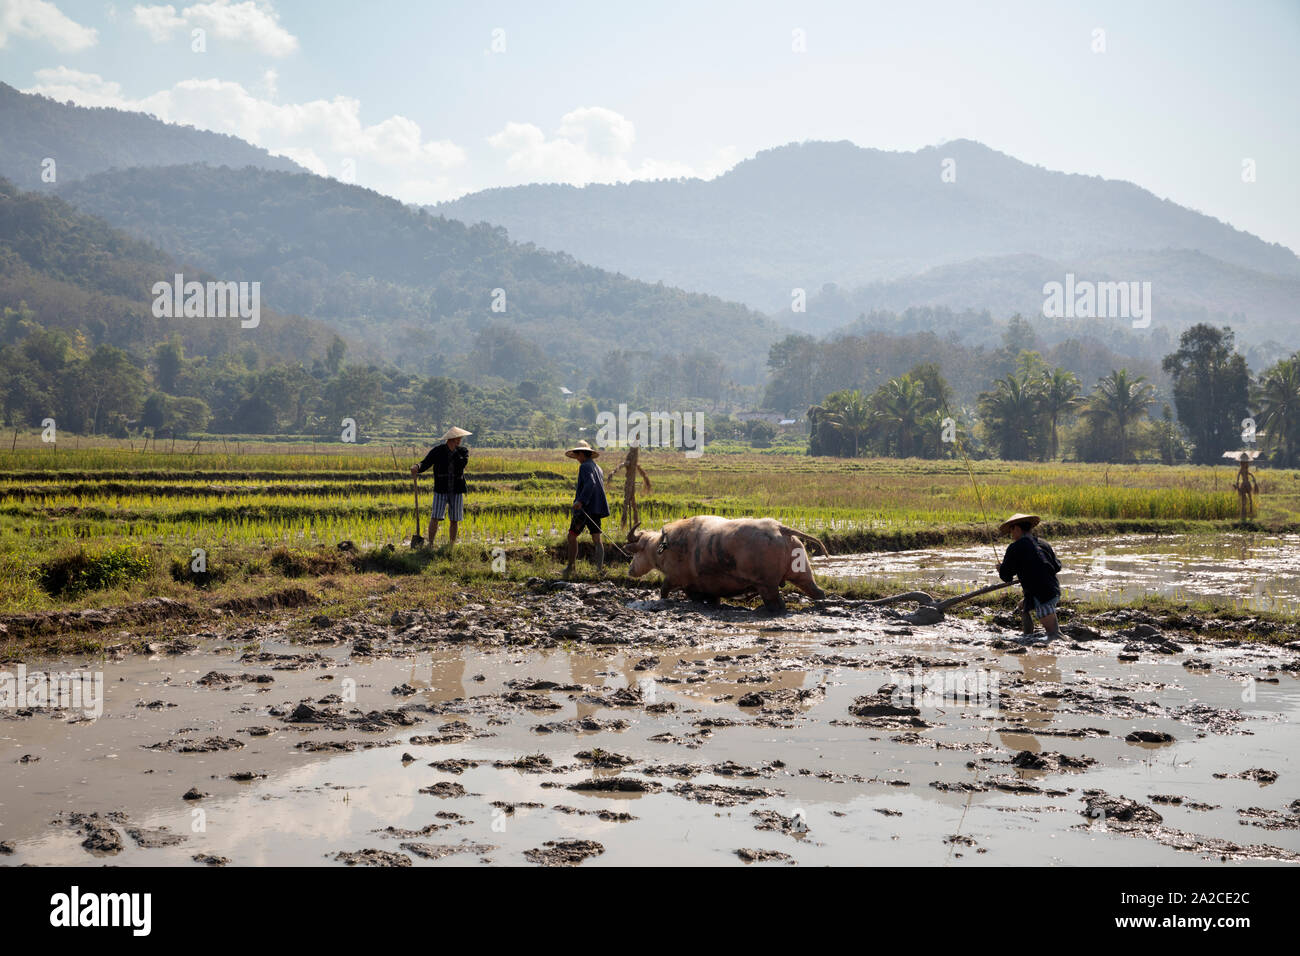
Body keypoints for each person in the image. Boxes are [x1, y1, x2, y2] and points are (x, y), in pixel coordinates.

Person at [995, 513, 1062, 646]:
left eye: (1011, 531)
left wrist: (1000, 568)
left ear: (1017, 529)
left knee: (1054, 634)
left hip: (1042, 596)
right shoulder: (1043, 543)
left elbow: (1006, 576)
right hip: (1053, 590)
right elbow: (1057, 566)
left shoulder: (1015, 547)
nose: (1011, 535)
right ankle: (1027, 637)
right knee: (1023, 607)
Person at [411, 427, 470, 547]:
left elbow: (462, 464)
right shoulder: (437, 451)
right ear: (453, 439)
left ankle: (451, 545)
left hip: (456, 489)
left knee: (454, 519)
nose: (460, 440)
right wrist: (417, 466)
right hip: (441, 489)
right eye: (459, 438)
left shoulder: (463, 452)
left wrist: (454, 452)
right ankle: (431, 543)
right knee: (435, 517)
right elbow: (425, 462)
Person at [563, 440, 609, 578]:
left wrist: (580, 501)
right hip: (596, 508)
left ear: (582, 453)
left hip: (585, 509)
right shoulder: (597, 467)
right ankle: (599, 570)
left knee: (571, 536)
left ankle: (570, 568)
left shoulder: (584, 467)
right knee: (596, 538)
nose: (576, 458)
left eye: (577, 455)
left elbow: (590, 484)